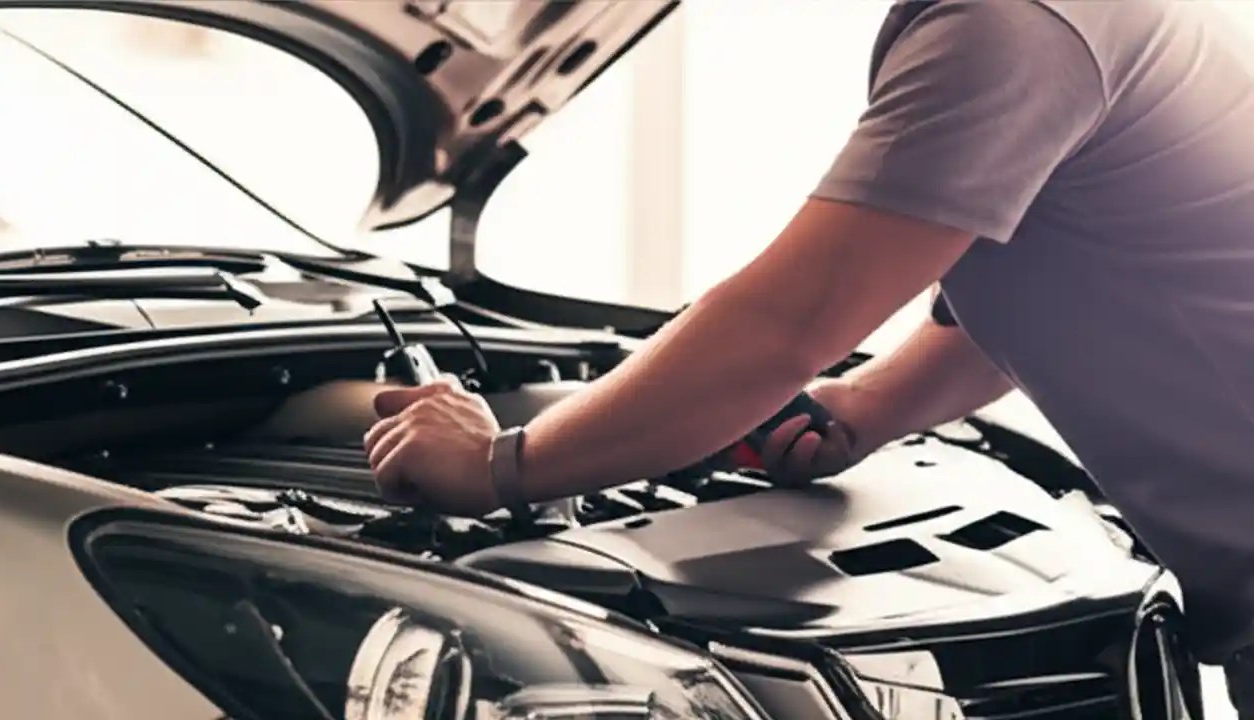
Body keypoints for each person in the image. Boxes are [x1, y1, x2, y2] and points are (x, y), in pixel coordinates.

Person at [363, 0, 1254, 711]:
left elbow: (788, 320)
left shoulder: (1013, 24)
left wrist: (497, 467)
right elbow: (1050, 283)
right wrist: (864, 406)